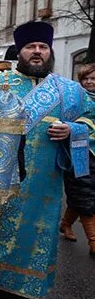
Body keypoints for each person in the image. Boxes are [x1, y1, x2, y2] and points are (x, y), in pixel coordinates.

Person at [0, 21, 92, 299]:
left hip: (45, 182)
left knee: (36, 234)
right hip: (1, 177)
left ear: (49, 51)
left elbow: (91, 118)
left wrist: (74, 130)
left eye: (42, 47)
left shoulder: (70, 91)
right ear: (19, 52)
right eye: (30, 47)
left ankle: (25, 288)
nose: (37, 52)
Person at [60, 62, 95, 258]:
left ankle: (66, 224)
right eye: (86, 79)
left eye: (93, 79)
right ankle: (93, 239)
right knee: (84, 193)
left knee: (83, 195)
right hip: (78, 153)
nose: (89, 82)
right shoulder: (75, 100)